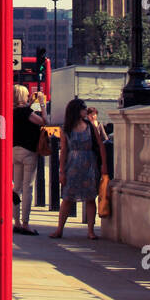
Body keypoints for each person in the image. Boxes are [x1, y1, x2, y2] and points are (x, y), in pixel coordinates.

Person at [50, 97, 107, 241]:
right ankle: (59, 229)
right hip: (73, 164)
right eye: (83, 108)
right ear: (77, 111)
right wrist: (61, 171)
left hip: (89, 163)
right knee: (68, 198)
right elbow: (63, 151)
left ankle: (90, 231)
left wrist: (104, 165)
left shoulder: (90, 126)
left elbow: (100, 145)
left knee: (90, 198)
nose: (85, 110)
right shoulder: (66, 129)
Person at [12, 85, 46, 234]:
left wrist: (33, 104)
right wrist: (42, 104)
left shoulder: (11, 111)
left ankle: (17, 222)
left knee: (16, 188)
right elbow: (44, 120)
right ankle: (25, 223)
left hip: (14, 151)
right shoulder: (26, 112)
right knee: (28, 188)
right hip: (28, 151)